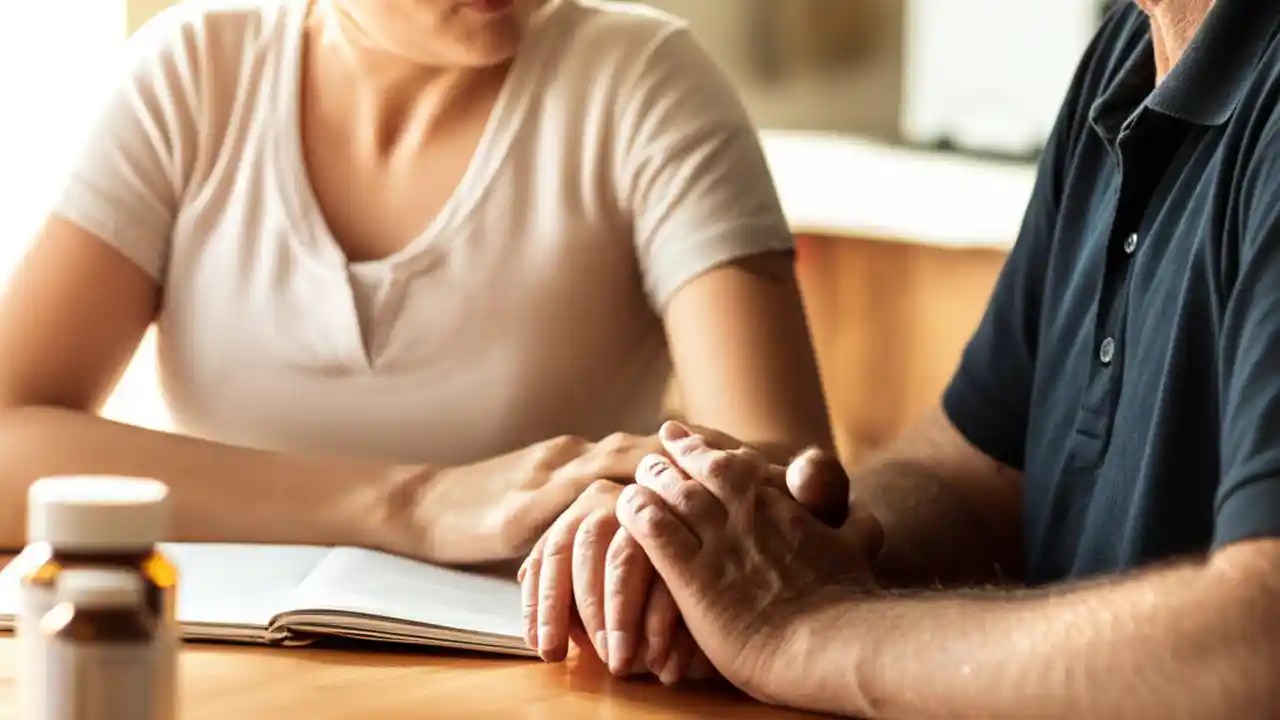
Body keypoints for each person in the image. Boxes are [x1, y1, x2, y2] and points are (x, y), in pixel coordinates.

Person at [0, 0, 830, 662]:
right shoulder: (191, 72)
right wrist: (414, 503)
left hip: (549, 678)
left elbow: (790, 488)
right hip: (231, 669)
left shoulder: (644, 82)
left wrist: (668, 521)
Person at [589, 1, 1280, 715]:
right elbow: (976, 467)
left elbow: (1261, 638)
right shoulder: (1130, 57)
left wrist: (809, 632)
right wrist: (781, 552)